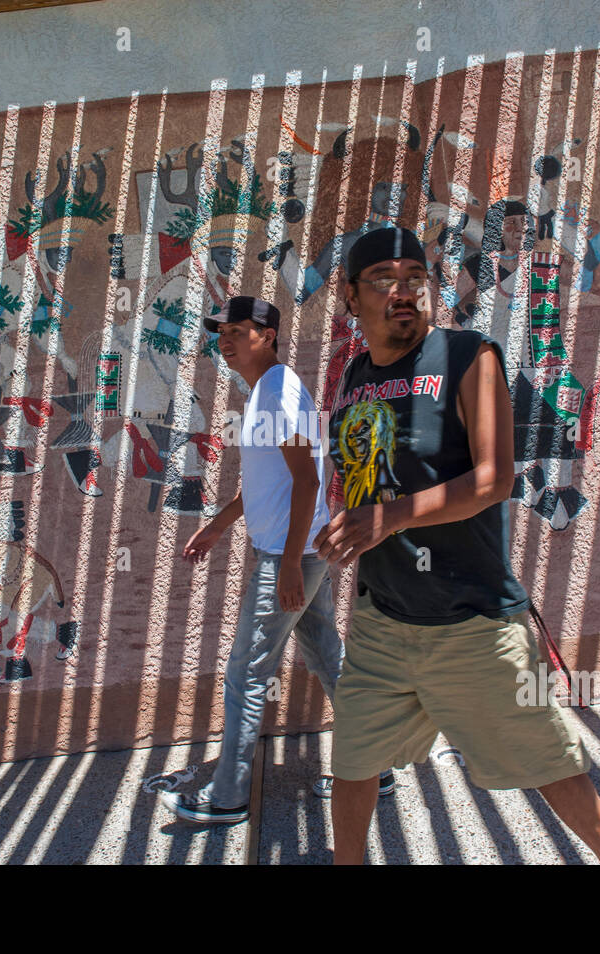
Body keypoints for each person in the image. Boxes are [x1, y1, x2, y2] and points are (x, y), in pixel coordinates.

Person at [316, 226, 600, 864]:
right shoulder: (355, 373)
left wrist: (389, 518)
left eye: (415, 276)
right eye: (384, 279)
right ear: (352, 299)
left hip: (472, 625)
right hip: (383, 620)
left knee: (552, 770)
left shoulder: (468, 356)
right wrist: (350, 524)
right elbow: (366, 482)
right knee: (352, 764)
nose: (402, 291)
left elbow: (496, 479)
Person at [161, 296, 391, 823]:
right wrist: (221, 523)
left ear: (266, 335)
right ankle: (375, 766)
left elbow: (309, 481)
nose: (225, 339)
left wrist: (288, 562)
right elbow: (276, 478)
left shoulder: (279, 393)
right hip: (297, 551)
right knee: (328, 658)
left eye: (237, 330)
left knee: (245, 672)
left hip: (291, 555)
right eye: (220, 331)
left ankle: (228, 797)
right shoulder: (267, 391)